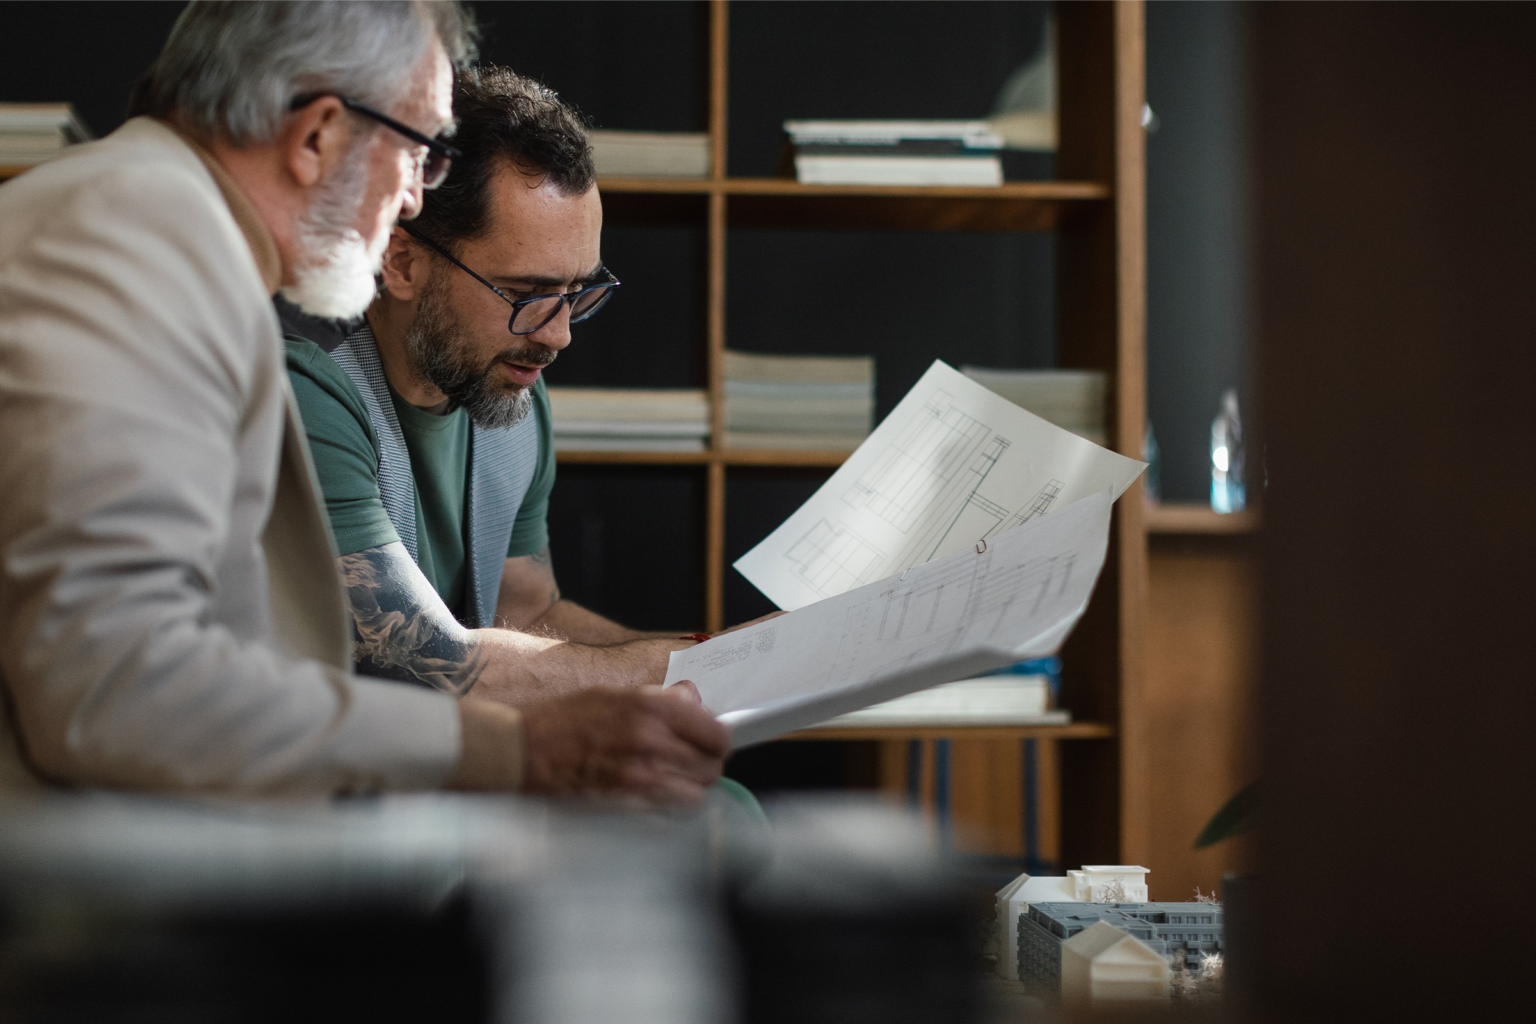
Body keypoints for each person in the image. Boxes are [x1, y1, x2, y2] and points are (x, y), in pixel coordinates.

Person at [0, 0, 726, 801]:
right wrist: (511, 751)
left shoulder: (163, 232)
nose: (415, 200)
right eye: (421, 151)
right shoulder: (130, 241)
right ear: (317, 136)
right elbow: (112, 685)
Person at [283, 67, 735, 706]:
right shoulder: (307, 390)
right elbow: (431, 664)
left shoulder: (507, 391)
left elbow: (524, 611)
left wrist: (716, 660)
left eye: (577, 293)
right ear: (402, 262)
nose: (558, 336)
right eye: (525, 294)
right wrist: (711, 666)